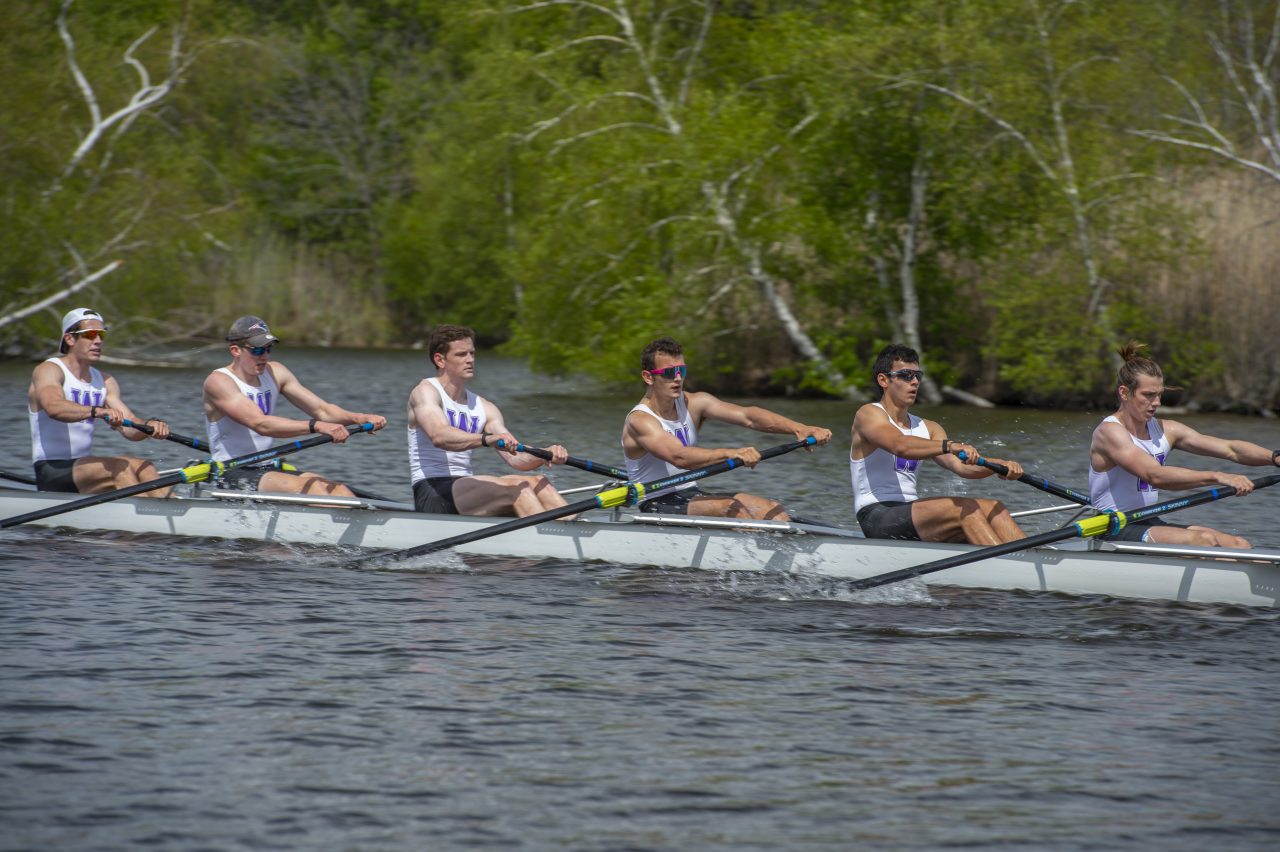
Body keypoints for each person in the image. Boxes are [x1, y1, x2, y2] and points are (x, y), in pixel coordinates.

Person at [1088, 341, 1278, 548]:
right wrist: (1218, 476)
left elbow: (1231, 449)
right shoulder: (1111, 432)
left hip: (1148, 520)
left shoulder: (1167, 430)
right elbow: (1155, 476)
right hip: (1113, 527)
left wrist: (1274, 458)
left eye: (1159, 394)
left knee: (1239, 545)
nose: (1157, 402)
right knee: (1203, 541)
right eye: (1148, 395)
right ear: (1124, 393)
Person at [621, 337, 831, 520]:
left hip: (690, 495)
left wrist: (799, 428)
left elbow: (748, 416)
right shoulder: (640, 420)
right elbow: (680, 457)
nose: (677, 378)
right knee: (734, 510)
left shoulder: (695, 403)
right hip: (656, 502)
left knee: (772, 509)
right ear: (648, 377)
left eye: (681, 370)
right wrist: (732, 453)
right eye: (668, 373)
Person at [850, 343, 1026, 544]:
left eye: (918, 376)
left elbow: (961, 467)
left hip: (912, 515)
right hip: (877, 515)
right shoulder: (869, 414)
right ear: (883, 380)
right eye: (906, 375)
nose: (915, 382)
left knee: (995, 508)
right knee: (965, 508)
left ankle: (1033, 560)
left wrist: (998, 465)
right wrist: (949, 445)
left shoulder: (930, 428)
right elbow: (901, 445)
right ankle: (1005, 566)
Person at [202, 315, 386, 496]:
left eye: (268, 349)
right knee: (315, 489)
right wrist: (316, 426)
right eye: (257, 350)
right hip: (231, 472)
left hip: (267, 468)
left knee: (338, 490)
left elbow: (323, 410)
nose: (264, 356)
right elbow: (261, 424)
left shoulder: (276, 372)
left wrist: (359, 418)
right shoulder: (219, 382)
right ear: (235, 350)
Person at [407, 324, 572, 516]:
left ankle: (576, 533)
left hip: (465, 491)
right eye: (461, 355)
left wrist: (544, 454)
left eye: (472, 353)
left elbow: (516, 458)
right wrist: (486, 439)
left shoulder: (485, 407)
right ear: (440, 360)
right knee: (519, 490)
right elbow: (439, 435)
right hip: (433, 491)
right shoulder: (425, 392)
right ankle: (549, 541)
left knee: (539, 482)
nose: (470, 360)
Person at [28, 307, 174, 495]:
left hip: (85, 469)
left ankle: (171, 510)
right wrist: (98, 411)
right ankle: (145, 519)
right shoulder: (49, 370)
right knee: (118, 467)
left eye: (101, 336)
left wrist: (150, 426)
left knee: (143, 466)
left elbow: (130, 429)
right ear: (70, 339)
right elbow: (53, 407)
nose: (97, 341)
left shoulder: (104, 381)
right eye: (90, 335)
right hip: (51, 469)